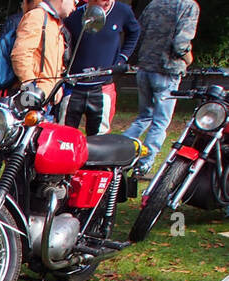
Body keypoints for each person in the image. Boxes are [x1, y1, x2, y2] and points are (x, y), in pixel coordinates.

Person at [123, 0, 199, 169]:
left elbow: (138, 32)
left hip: (145, 67)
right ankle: (144, 163)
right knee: (160, 121)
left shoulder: (154, 4)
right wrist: (188, 58)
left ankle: (120, 150)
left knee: (143, 117)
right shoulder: (188, 6)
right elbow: (181, 44)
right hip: (167, 70)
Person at [61, 0, 138, 135]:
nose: (107, 1)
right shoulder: (73, 15)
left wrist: (122, 58)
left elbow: (134, 32)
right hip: (74, 86)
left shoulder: (122, 11)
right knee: (63, 135)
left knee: (100, 138)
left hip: (103, 87)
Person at [11, 0, 76, 94]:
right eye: (74, 2)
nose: (74, 8)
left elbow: (54, 64)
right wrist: (31, 88)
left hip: (46, 96)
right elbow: (20, 55)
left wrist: (57, 87)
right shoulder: (37, 16)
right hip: (32, 96)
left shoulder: (55, 23)